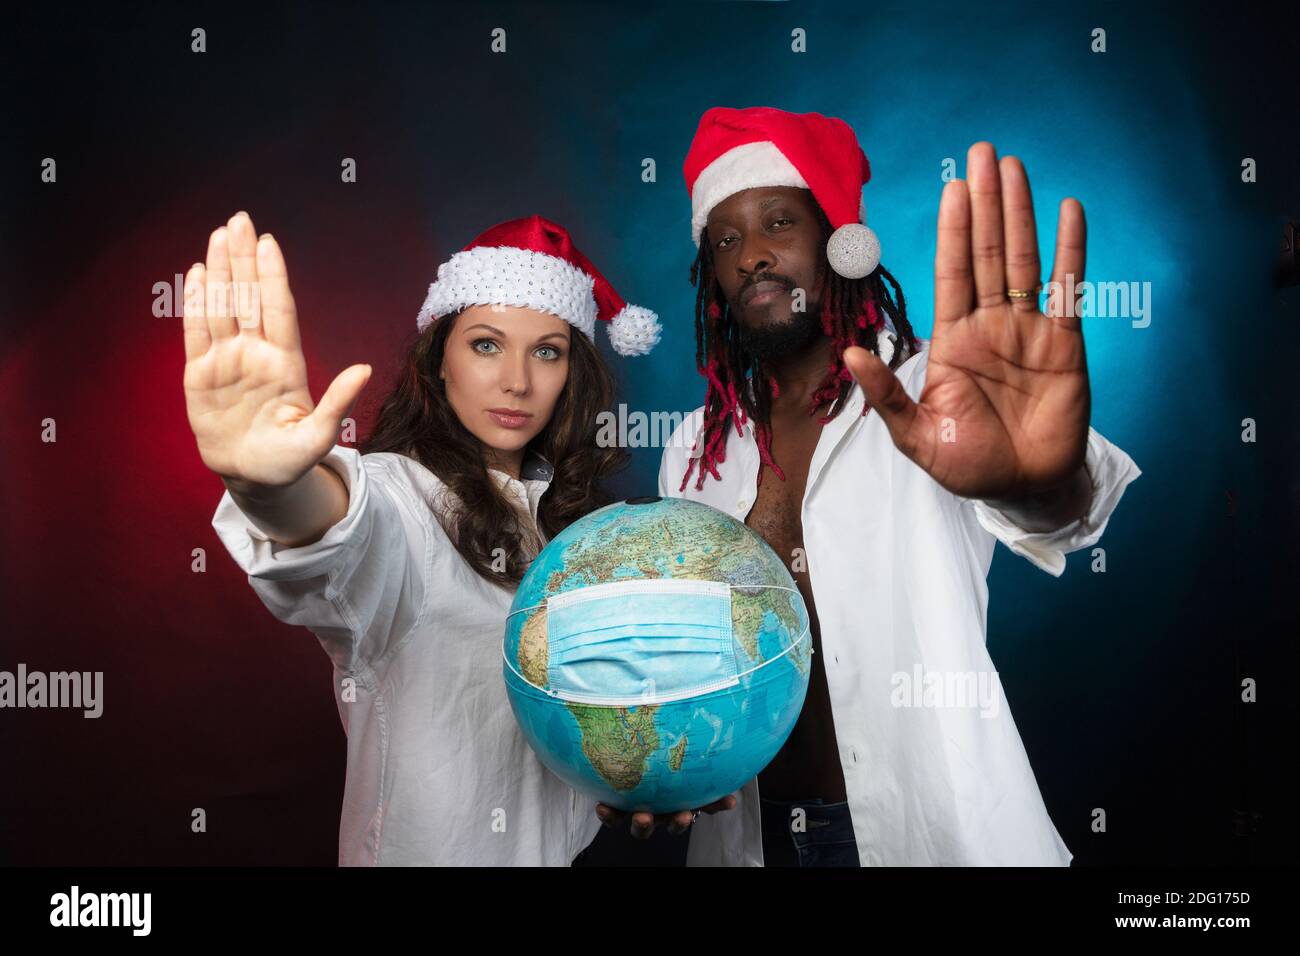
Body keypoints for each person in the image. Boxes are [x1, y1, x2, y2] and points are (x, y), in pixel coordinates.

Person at [603, 106, 1142, 865]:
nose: (752, 254)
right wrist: (643, 763)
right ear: (712, 279)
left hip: (925, 828)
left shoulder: (937, 391)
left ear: (839, 245)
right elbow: (694, 656)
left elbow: (1063, 517)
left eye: (779, 222)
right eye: (726, 240)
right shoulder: (693, 449)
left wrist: (1040, 483)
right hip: (746, 839)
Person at [187, 211, 707, 864]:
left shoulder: (571, 528)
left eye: (547, 350)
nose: (517, 380)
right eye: (486, 344)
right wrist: (273, 486)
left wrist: (654, 773)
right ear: (438, 362)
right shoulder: (399, 499)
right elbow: (336, 531)